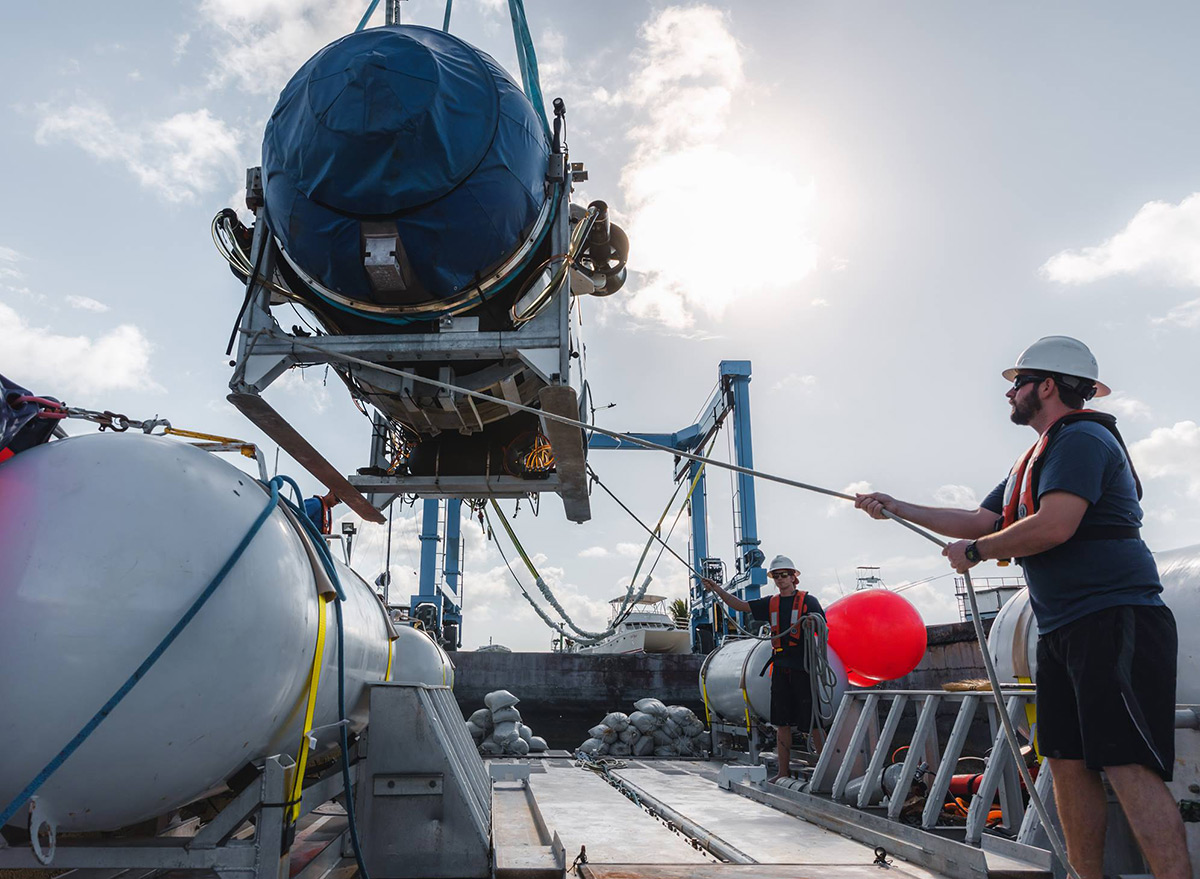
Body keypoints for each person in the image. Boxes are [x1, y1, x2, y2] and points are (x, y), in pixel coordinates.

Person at [854, 335, 1188, 879]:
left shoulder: (1081, 441)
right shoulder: (1035, 458)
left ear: (1048, 386)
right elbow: (981, 520)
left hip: (1112, 618)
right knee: (1066, 763)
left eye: (1018, 384)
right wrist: (896, 506)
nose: (1010, 394)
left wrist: (980, 554)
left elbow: (1054, 525)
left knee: (1128, 763)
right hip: (1062, 627)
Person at [701, 554, 825, 783]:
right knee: (782, 722)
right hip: (780, 667)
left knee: (813, 721)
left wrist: (810, 624)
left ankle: (824, 770)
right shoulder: (771, 603)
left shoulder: (810, 602)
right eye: (776, 576)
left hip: (803, 668)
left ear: (794, 577)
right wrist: (717, 589)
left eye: (784, 575)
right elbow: (740, 605)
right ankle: (783, 771)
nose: (780, 579)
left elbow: (823, 626)